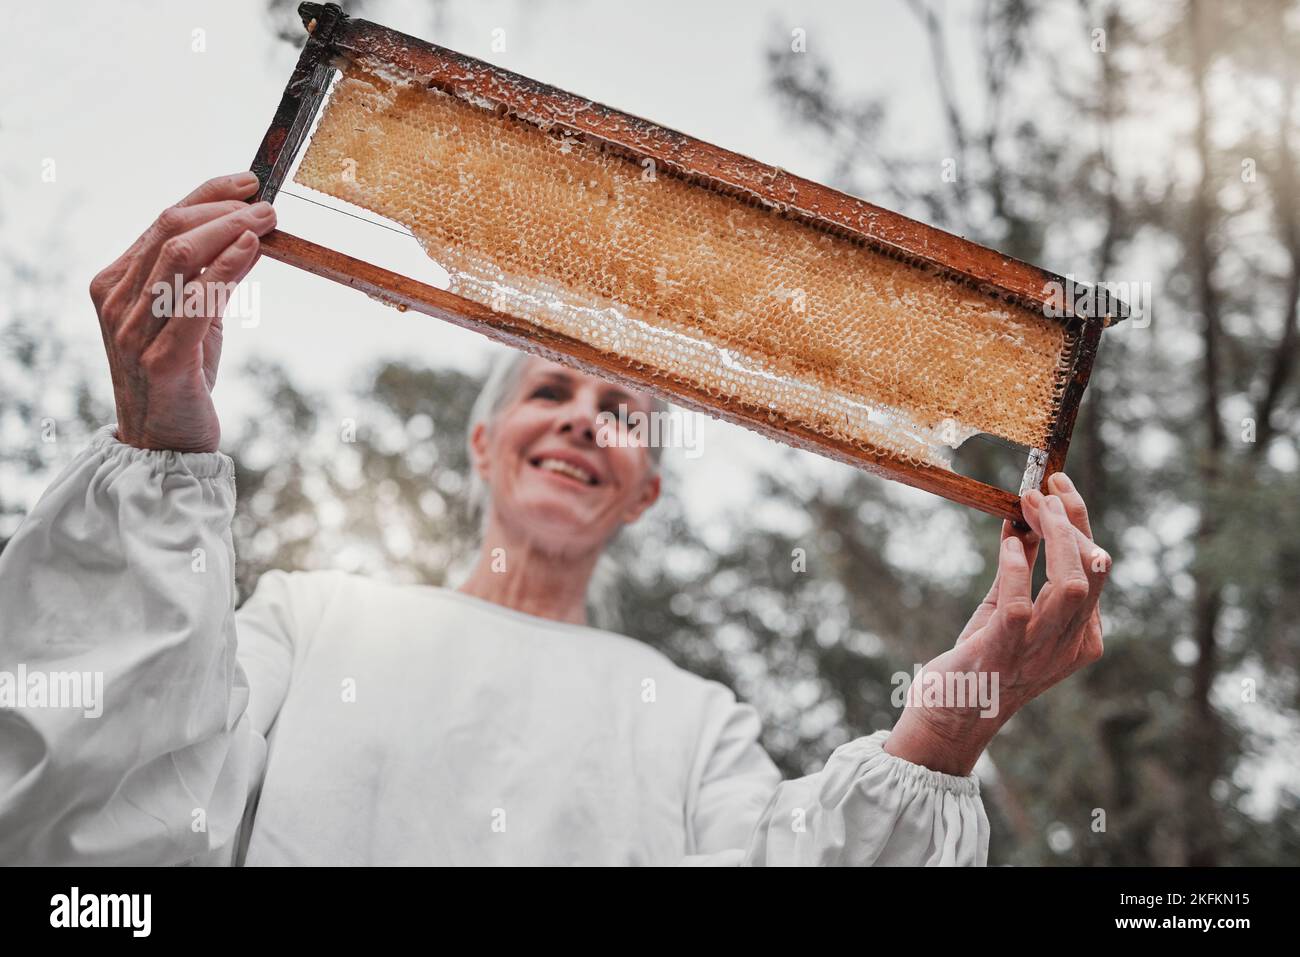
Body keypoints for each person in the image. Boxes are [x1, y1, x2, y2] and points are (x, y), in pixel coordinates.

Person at [0, 173, 1110, 866]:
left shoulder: (686, 718)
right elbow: (101, 827)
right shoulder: (311, 620)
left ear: (646, 491)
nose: (582, 422)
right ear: (483, 446)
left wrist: (956, 717)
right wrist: (159, 456)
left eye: (619, 412)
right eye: (548, 393)